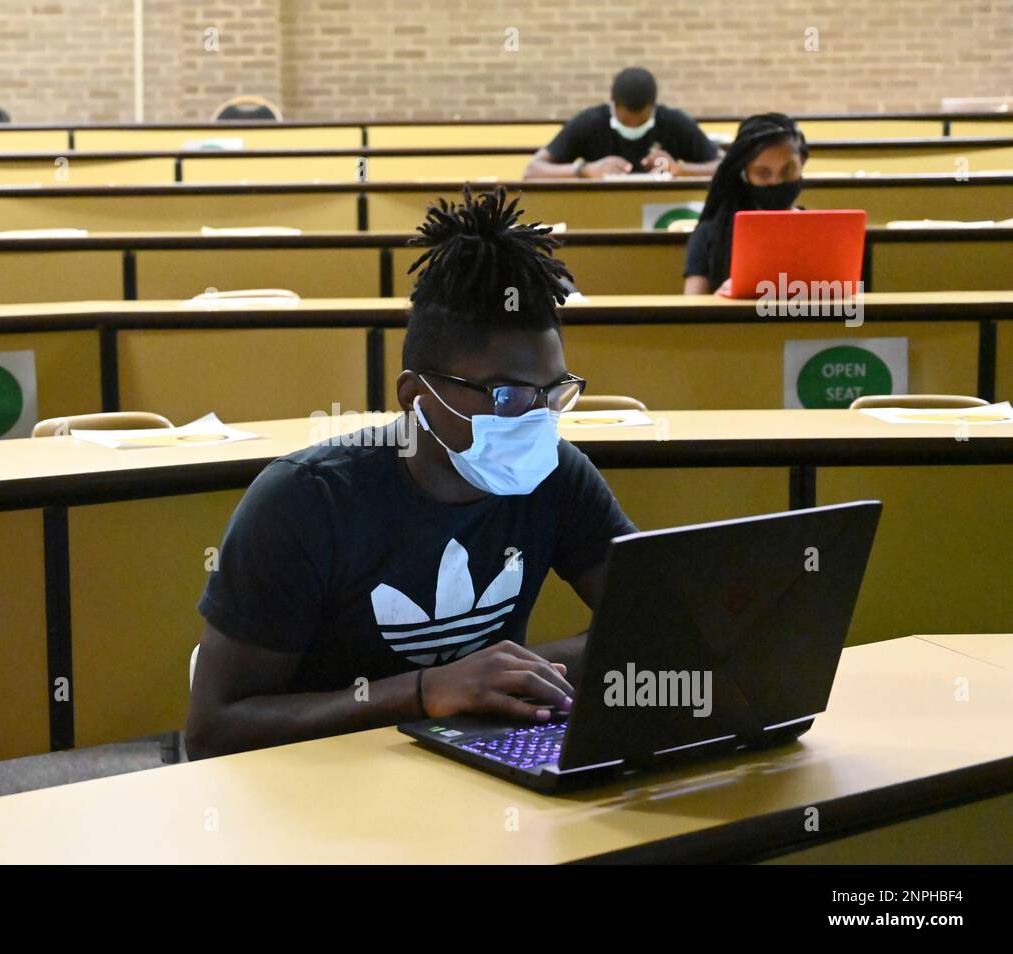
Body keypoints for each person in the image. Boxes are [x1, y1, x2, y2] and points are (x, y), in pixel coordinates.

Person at [186, 186, 638, 760]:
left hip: (479, 764)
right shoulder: (305, 501)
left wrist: (512, 674)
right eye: (507, 398)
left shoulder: (555, 475)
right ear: (416, 396)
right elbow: (212, 730)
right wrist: (428, 691)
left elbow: (652, 618)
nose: (537, 422)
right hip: (320, 785)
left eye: (554, 395)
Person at [683, 113, 809, 294]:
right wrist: (721, 299)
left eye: (788, 170)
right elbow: (691, 312)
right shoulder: (710, 234)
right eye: (763, 173)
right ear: (745, 174)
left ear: (802, 163)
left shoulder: (820, 232)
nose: (776, 181)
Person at [524, 67, 722, 180]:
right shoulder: (590, 122)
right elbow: (532, 170)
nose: (634, 126)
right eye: (626, 121)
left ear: (653, 107)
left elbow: (724, 164)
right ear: (612, 104)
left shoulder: (674, 122)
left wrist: (682, 170)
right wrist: (584, 170)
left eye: (642, 121)